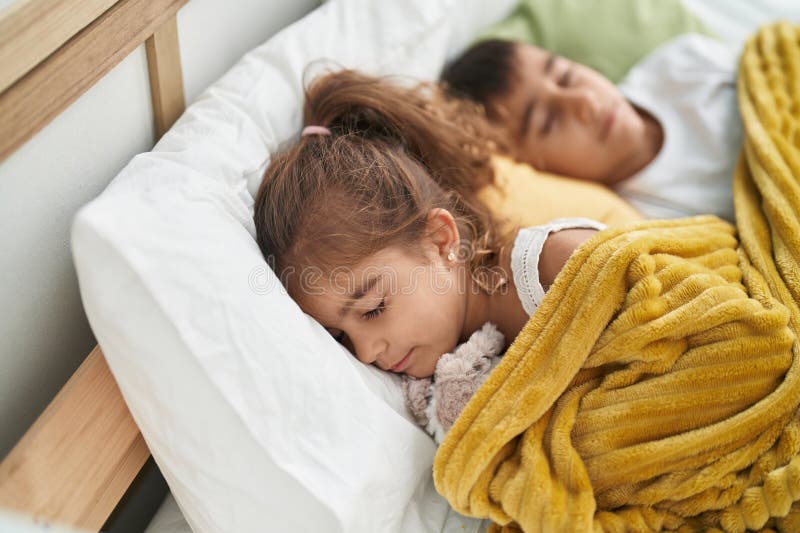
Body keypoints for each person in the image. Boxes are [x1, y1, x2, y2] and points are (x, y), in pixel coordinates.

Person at [253, 70, 602, 378]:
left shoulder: (554, 266)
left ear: (439, 239)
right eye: (341, 337)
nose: (366, 352)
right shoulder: (451, 371)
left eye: (373, 309)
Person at [441, 34, 741, 222]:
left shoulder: (681, 62)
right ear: (538, 169)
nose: (584, 102)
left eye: (566, 76)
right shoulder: (643, 219)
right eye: (549, 122)